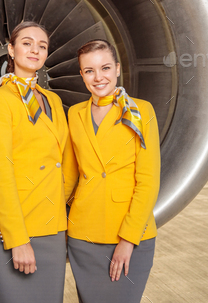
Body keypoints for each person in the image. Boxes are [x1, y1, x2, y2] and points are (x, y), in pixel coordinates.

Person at [0, 21, 76, 303]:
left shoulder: (52, 100)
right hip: (12, 228)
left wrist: (59, 205)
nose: (35, 50)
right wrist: (17, 239)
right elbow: (0, 169)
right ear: (11, 49)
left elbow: (65, 163)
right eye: (26, 43)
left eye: (42, 46)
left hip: (52, 226)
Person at [64, 39, 160, 303]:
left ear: (117, 69)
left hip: (130, 234)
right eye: (89, 70)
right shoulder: (75, 114)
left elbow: (148, 181)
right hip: (84, 233)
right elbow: (69, 177)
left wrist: (128, 241)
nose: (98, 77)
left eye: (105, 68)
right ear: (82, 75)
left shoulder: (141, 111)